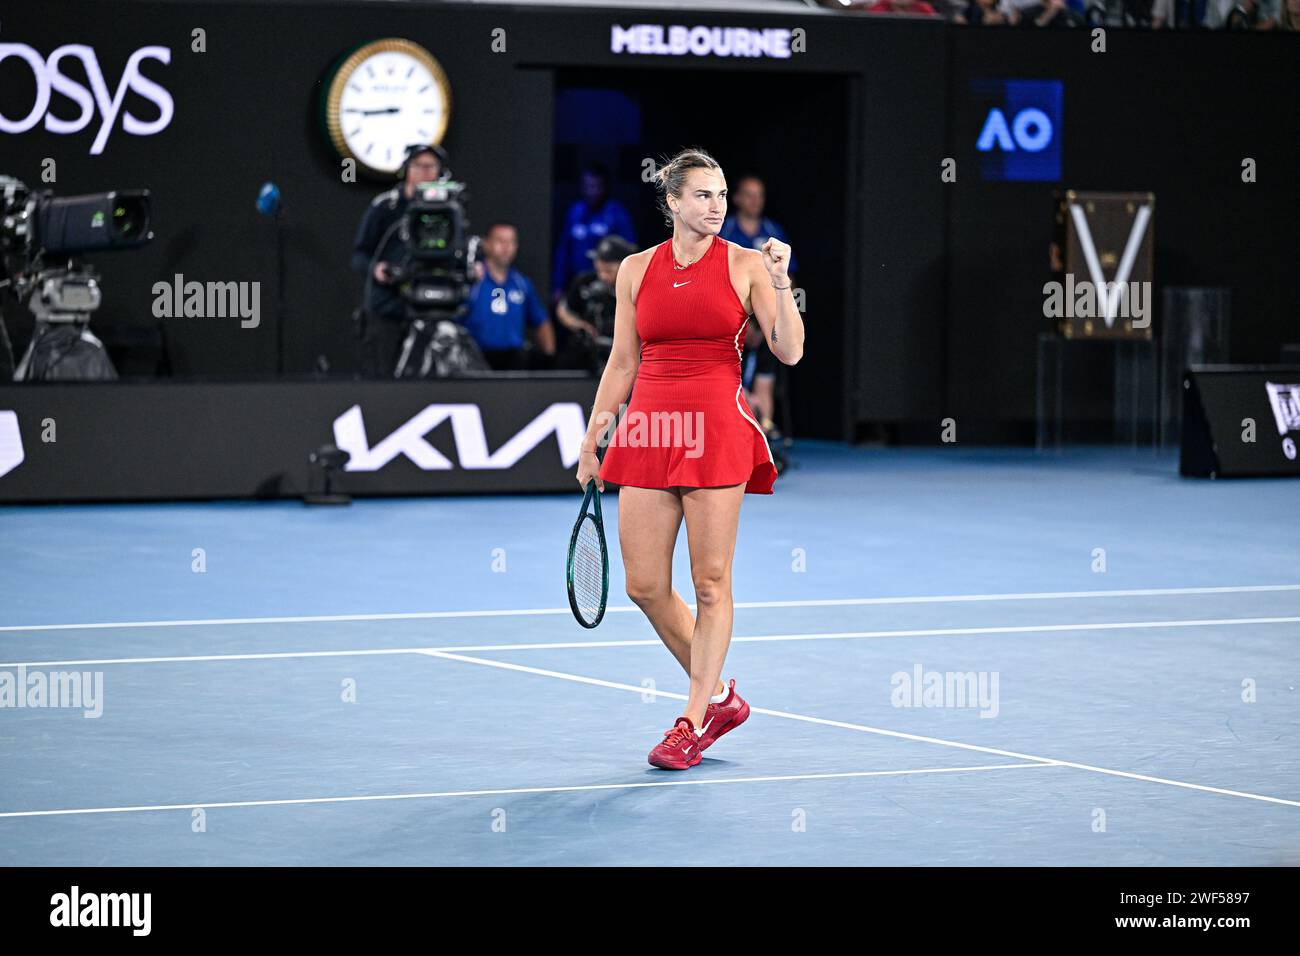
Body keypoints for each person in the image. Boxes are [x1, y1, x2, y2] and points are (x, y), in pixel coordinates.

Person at [574, 148, 805, 770]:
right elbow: (623, 361)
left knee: (710, 582)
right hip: (649, 430)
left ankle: (693, 720)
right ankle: (724, 697)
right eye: (703, 195)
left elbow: (788, 352)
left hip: (716, 433)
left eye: (722, 195)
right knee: (644, 585)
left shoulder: (749, 264)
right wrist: (595, 438)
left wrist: (781, 284)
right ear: (672, 202)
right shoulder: (633, 270)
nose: (717, 206)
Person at [350, 144, 446, 377]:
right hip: (387, 309)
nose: (425, 172)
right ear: (407, 169)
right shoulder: (385, 207)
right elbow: (359, 256)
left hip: (429, 308)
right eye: (419, 166)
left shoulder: (446, 209)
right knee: (383, 376)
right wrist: (377, 270)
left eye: (431, 166)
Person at [461, 221, 555, 371]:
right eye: (500, 241)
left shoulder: (521, 284)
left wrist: (549, 359)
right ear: (486, 244)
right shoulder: (472, 281)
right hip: (477, 359)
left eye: (511, 242)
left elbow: (541, 321)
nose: (506, 247)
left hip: (513, 362)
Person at [551, 164, 636, 304]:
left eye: (596, 186)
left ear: (605, 187)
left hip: (608, 286)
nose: (591, 191)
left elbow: (630, 251)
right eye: (587, 186)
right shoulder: (574, 212)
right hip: (577, 283)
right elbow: (563, 251)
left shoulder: (617, 214)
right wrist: (558, 285)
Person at [555, 235, 635, 375]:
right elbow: (563, 309)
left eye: (609, 271)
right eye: (600, 270)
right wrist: (579, 325)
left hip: (625, 352)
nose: (603, 276)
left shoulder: (635, 287)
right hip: (588, 353)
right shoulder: (585, 282)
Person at [719, 176, 798, 281]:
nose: (755, 201)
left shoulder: (774, 230)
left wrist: (790, 295)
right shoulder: (722, 229)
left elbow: (788, 273)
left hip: (769, 294)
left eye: (759, 195)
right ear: (736, 198)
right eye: (749, 195)